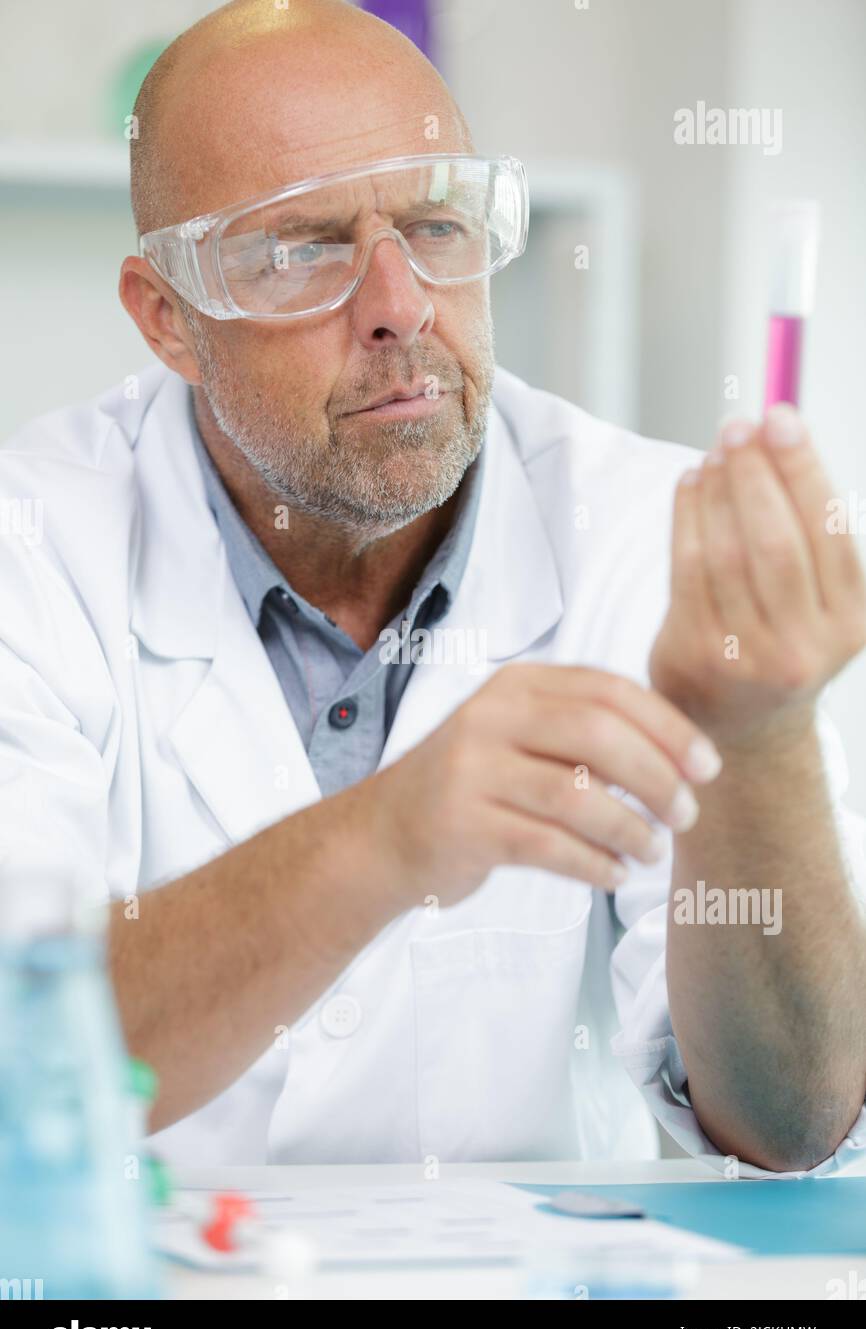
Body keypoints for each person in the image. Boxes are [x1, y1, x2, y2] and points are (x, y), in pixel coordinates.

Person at [1, 0, 865, 1175]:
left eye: (436, 225)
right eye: (301, 248)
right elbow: (19, 1060)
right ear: (166, 318)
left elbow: (787, 1123)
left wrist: (757, 739)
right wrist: (384, 837)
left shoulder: (651, 539)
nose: (400, 307)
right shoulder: (34, 544)